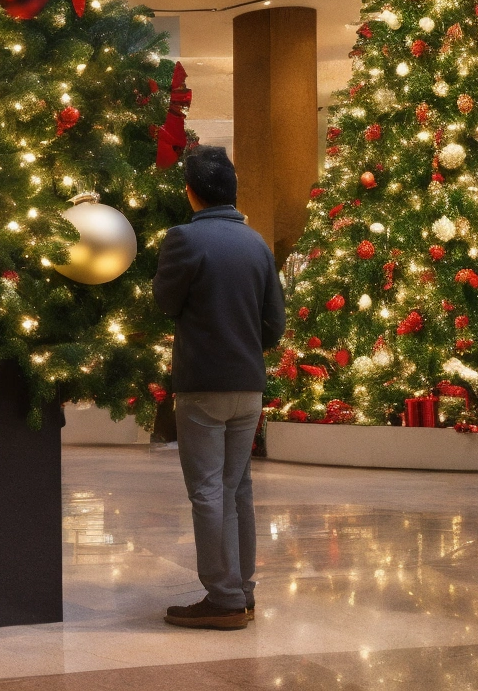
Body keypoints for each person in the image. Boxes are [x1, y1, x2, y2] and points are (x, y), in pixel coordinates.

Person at [151, 144, 285, 630]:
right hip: (248, 386)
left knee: (208, 490)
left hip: (202, 383)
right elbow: (275, 324)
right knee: (238, 488)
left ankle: (223, 598)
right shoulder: (257, 244)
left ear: (192, 193)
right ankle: (243, 591)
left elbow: (165, 303)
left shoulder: (183, 239)